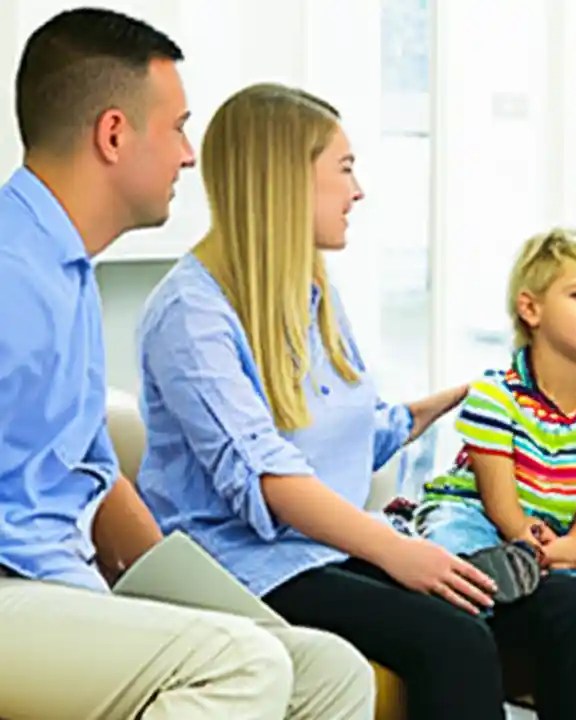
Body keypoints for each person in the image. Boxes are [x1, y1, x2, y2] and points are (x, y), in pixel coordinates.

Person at [136, 82, 576, 720]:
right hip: (246, 567)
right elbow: (269, 481)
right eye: (343, 169)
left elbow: (350, 437)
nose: (358, 190)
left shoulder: (312, 292)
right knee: (452, 639)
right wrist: (396, 550)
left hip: (331, 549)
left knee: (571, 604)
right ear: (285, 180)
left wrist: (451, 402)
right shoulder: (190, 314)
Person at [0, 9, 373, 720]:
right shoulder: (11, 271)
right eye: (176, 128)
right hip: (15, 592)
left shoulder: (66, 270)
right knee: (242, 665)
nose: (189, 155)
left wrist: (228, 611)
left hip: (57, 584)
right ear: (114, 134)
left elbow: (93, 478)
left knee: (324, 667)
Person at [414, 228, 576, 591]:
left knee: (573, 581)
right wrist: (527, 540)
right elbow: (501, 507)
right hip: (476, 512)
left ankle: (513, 582)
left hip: (549, 534)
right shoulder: (495, 395)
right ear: (530, 309)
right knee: (456, 538)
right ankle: (493, 582)